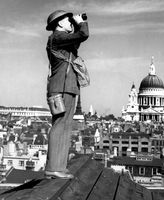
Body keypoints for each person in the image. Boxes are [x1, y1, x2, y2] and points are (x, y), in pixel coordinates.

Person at [45, 10, 89, 179]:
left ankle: (58, 168)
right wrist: (80, 23)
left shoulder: (63, 41)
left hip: (68, 87)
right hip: (61, 88)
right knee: (59, 126)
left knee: (65, 127)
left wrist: (75, 27)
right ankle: (53, 168)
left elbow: (76, 42)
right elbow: (83, 34)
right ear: (59, 23)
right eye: (67, 20)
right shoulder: (56, 37)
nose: (70, 22)